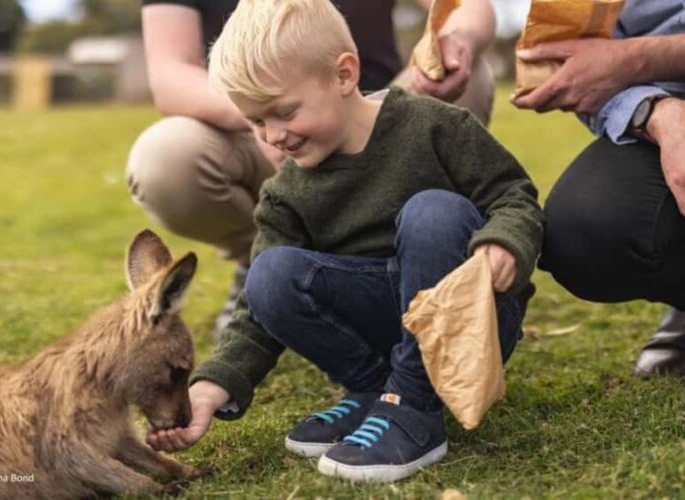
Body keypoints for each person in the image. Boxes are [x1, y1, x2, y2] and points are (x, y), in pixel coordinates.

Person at [146, 0, 543, 482]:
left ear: (344, 74)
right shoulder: (285, 192)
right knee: (269, 274)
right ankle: (377, 390)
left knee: (434, 212)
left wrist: (502, 242)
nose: (274, 136)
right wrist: (212, 387)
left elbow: (513, 194)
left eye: (284, 111)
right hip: (381, 326)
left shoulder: (435, 126)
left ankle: (414, 406)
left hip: (469, 322)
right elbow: (257, 315)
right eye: (256, 122)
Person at [126, 0, 497, 336]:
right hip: (250, 135)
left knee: (466, 77)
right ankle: (263, 262)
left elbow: (465, 5)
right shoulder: (270, 124)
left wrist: (458, 37)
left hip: (378, 121)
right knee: (164, 159)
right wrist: (268, 115)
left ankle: (417, 262)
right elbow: (169, 71)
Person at [512, 1, 685, 377]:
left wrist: (636, 58)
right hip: (667, 100)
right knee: (585, 225)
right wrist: (655, 112)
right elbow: (581, 67)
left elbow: (617, 62)